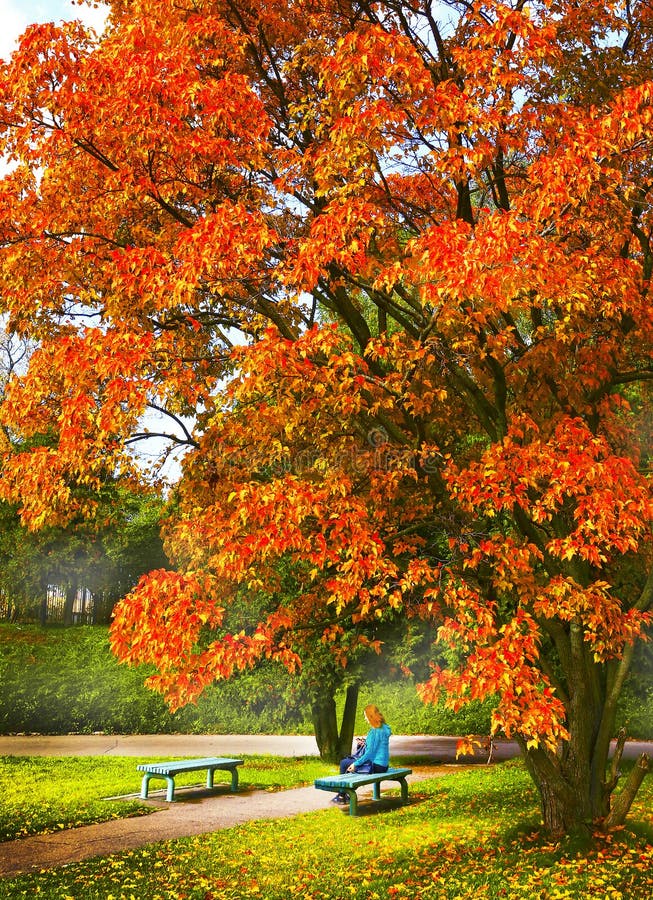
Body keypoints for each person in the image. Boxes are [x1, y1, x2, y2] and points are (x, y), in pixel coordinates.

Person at [331, 704, 392, 804]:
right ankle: (344, 793)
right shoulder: (385, 728)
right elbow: (377, 746)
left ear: (370, 716)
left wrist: (356, 764)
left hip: (375, 766)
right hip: (384, 765)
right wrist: (366, 743)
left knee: (344, 763)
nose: (365, 719)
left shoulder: (374, 732)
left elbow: (369, 754)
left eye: (365, 716)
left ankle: (342, 796)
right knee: (349, 762)